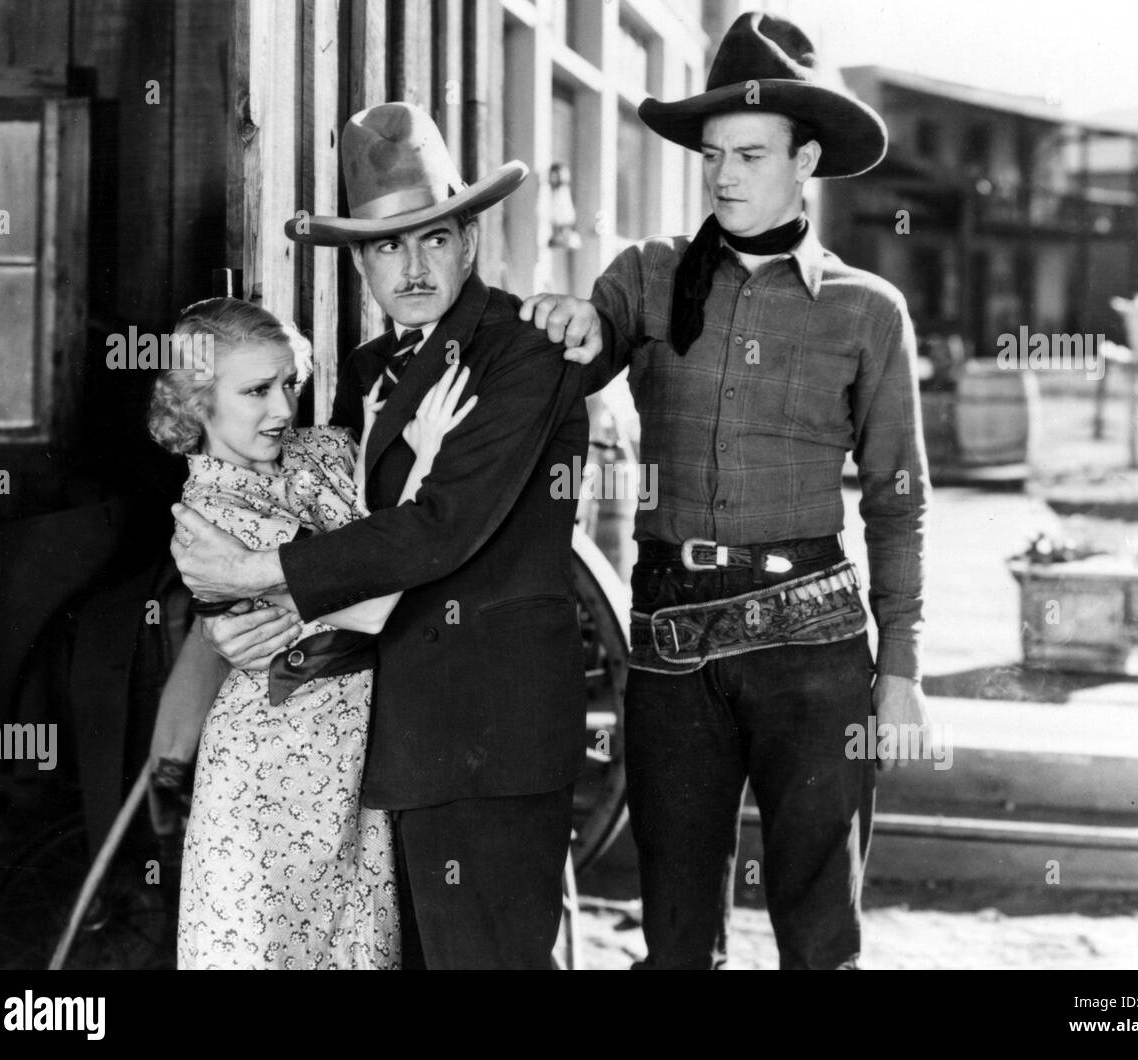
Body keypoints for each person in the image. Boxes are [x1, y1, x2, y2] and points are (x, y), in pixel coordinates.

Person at [520, 11, 931, 969]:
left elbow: (898, 499)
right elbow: (583, 353)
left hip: (816, 651)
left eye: (750, 154)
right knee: (674, 943)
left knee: (820, 938)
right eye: (713, 155)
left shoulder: (868, 312)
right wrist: (567, 326)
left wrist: (901, 673)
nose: (724, 176)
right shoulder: (646, 277)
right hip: (669, 649)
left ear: (807, 160)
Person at [168, 103, 589, 969]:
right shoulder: (363, 374)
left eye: (433, 237)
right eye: (387, 245)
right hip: (378, 746)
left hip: (487, 738)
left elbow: (439, 530)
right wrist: (233, 609)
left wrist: (260, 574)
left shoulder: (520, 353)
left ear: (468, 237)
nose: (413, 265)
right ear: (359, 259)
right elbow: (329, 522)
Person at [147, 296, 475, 969]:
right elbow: (372, 608)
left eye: (288, 383)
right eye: (256, 391)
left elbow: (371, 548)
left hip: (353, 753)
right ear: (196, 401)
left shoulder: (321, 449)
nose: (281, 409)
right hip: (269, 764)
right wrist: (426, 469)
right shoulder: (211, 513)